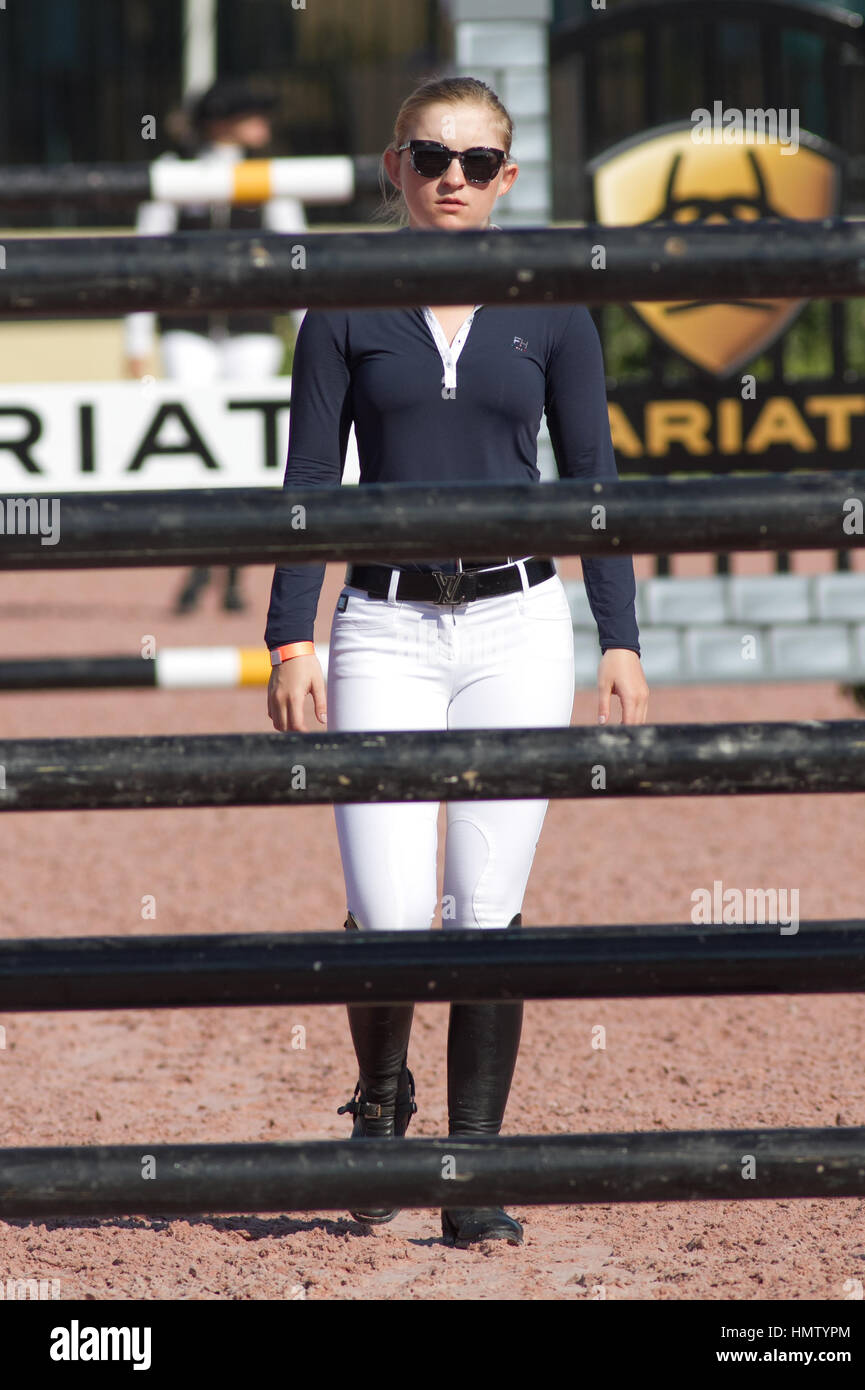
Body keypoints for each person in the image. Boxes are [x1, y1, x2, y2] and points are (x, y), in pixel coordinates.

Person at [264, 74, 649, 1248]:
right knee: (386, 910)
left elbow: (591, 482)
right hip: (380, 621)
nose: (451, 176)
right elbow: (308, 481)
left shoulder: (554, 304)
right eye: (430, 155)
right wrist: (291, 630)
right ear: (394, 166)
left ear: (507, 177)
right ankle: (382, 1107)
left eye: (476, 161)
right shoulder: (339, 300)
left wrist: (619, 635)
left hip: (517, 627)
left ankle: (470, 1162)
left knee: (486, 909)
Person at [123, 78, 307, 613]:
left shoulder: (272, 177)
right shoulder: (175, 174)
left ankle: (230, 567)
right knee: (197, 446)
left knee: (246, 450)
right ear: (223, 120)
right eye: (252, 114)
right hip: (188, 330)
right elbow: (145, 261)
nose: (264, 124)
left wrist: (310, 333)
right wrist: (137, 337)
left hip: (251, 330)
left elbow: (298, 261)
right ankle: (204, 559)